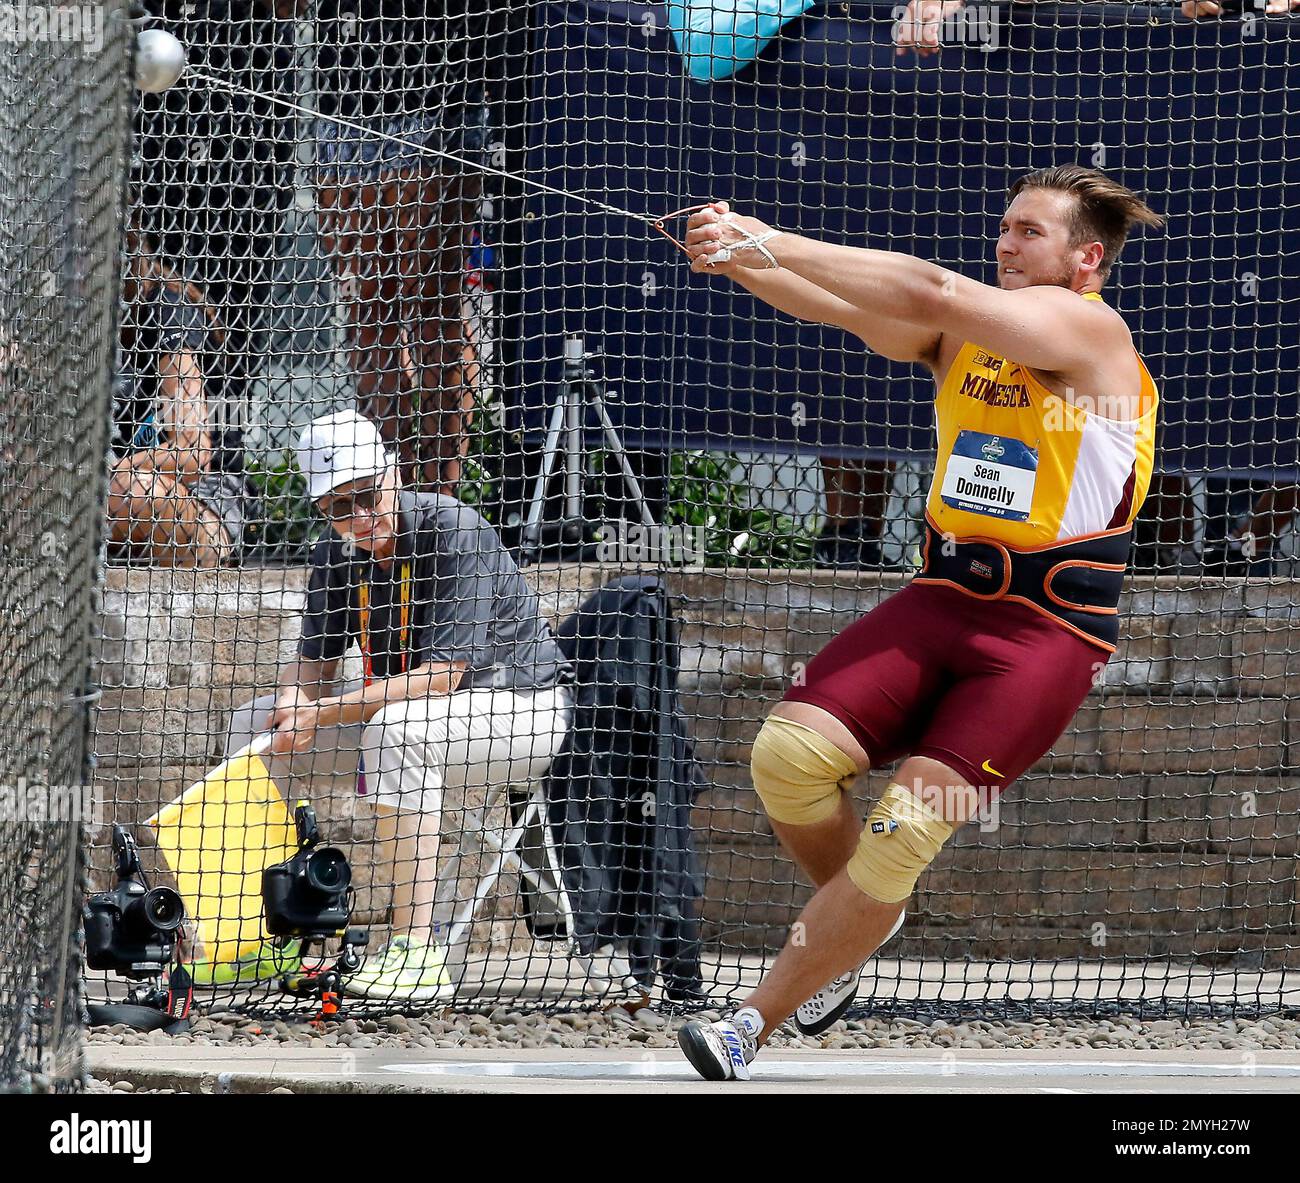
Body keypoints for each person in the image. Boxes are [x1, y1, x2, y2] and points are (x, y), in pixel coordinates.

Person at [674, 164, 1162, 1080]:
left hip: (1042, 640)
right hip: (940, 600)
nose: (1006, 244)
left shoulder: (1094, 331)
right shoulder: (963, 334)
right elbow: (841, 306)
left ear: (1087, 260)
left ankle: (750, 1020)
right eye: (1005, 226)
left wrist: (765, 236)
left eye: (1030, 233)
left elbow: (928, 284)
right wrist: (734, 258)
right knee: (787, 759)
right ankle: (852, 927)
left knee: (904, 831)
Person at [217, 408, 573, 999]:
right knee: (251, 726)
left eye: (366, 495)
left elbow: (442, 678)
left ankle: (418, 952)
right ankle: (253, 938)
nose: (358, 518)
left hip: (523, 707)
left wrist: (323, 713)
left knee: (395, 730)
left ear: (394, 473)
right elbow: (314, 661)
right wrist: (291, 703)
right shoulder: (336, 554)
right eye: (337, 508)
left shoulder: (452, 527)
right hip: (409, 715)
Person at [313, 0, 494, 494]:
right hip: (345, 105)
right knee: (368, 315)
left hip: (439, 94)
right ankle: (386, 499)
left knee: (435, 313)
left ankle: (443, 505)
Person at [107, 227, 252, 567]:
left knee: (125, 491)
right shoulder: (62, 321)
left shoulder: (168, 309)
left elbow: (192, 453)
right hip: (109, 497)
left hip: (205, 497)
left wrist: (109, 470)